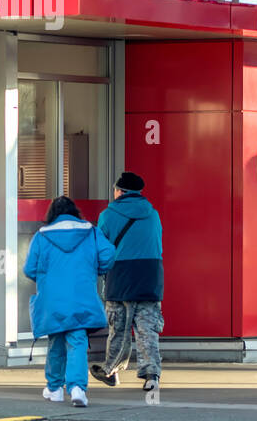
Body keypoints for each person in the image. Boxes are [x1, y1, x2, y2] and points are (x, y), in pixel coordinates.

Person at [24, 196, 115, 408]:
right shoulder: (91, 232)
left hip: (53, 300)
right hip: (82, 296)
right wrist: (95, 269)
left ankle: (55, 388)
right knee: (77, 341)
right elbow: (108, 254)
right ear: (75, 212)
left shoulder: (42, 236)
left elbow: (29, 268)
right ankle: (77, 388)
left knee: (56, 340)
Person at [91, 171, 165, 391]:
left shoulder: (107, 215)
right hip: (150, 276)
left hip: (120, 275)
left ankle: (111, 370)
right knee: (147, 329)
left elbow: (101, 250)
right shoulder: (152, 214)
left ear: (120, 191)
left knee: (119, 327)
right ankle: (152, 375)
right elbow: (158, 245)